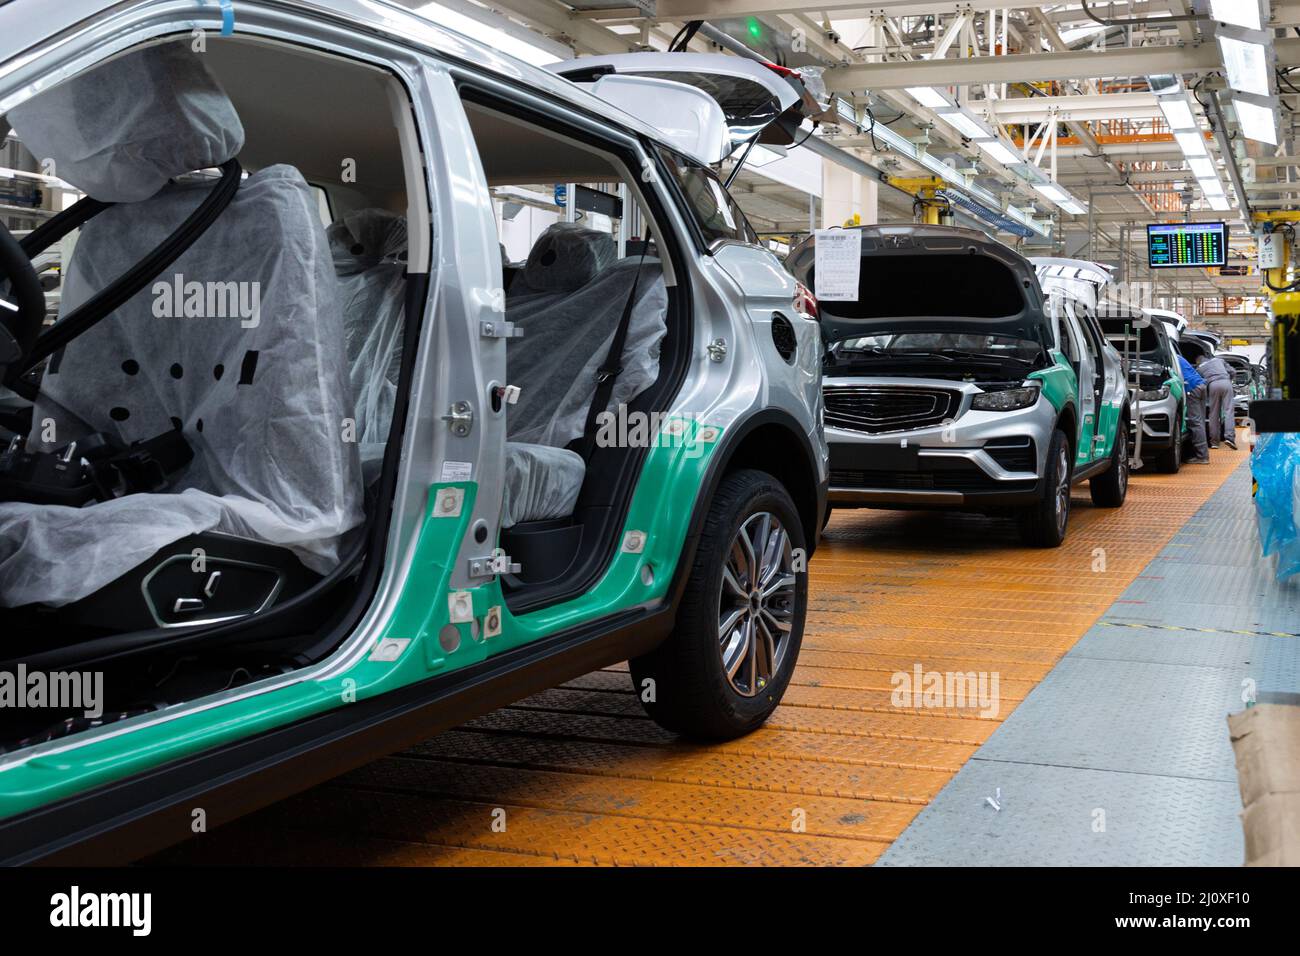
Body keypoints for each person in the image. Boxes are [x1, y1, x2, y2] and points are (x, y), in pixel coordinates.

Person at [1196, 353, 1236, 449]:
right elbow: (1233, 371)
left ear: (1198, 361)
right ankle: (1229, 438)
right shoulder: (1218, 360)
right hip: (1226, 383)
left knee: (1213, 414)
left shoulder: (1199, 368)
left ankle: (1214, 442)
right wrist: (1229, 379)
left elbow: (1199, 382)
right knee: (1228, 411)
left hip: (1213, 385)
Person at [1178, 353, 1209, 463]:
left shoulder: (1169, 356)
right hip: (1200, 385)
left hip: (1192, 387)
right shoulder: (1179, 357)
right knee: (1200, 422)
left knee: (1195, 422)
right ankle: (1202, 453)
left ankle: (1202, 457)